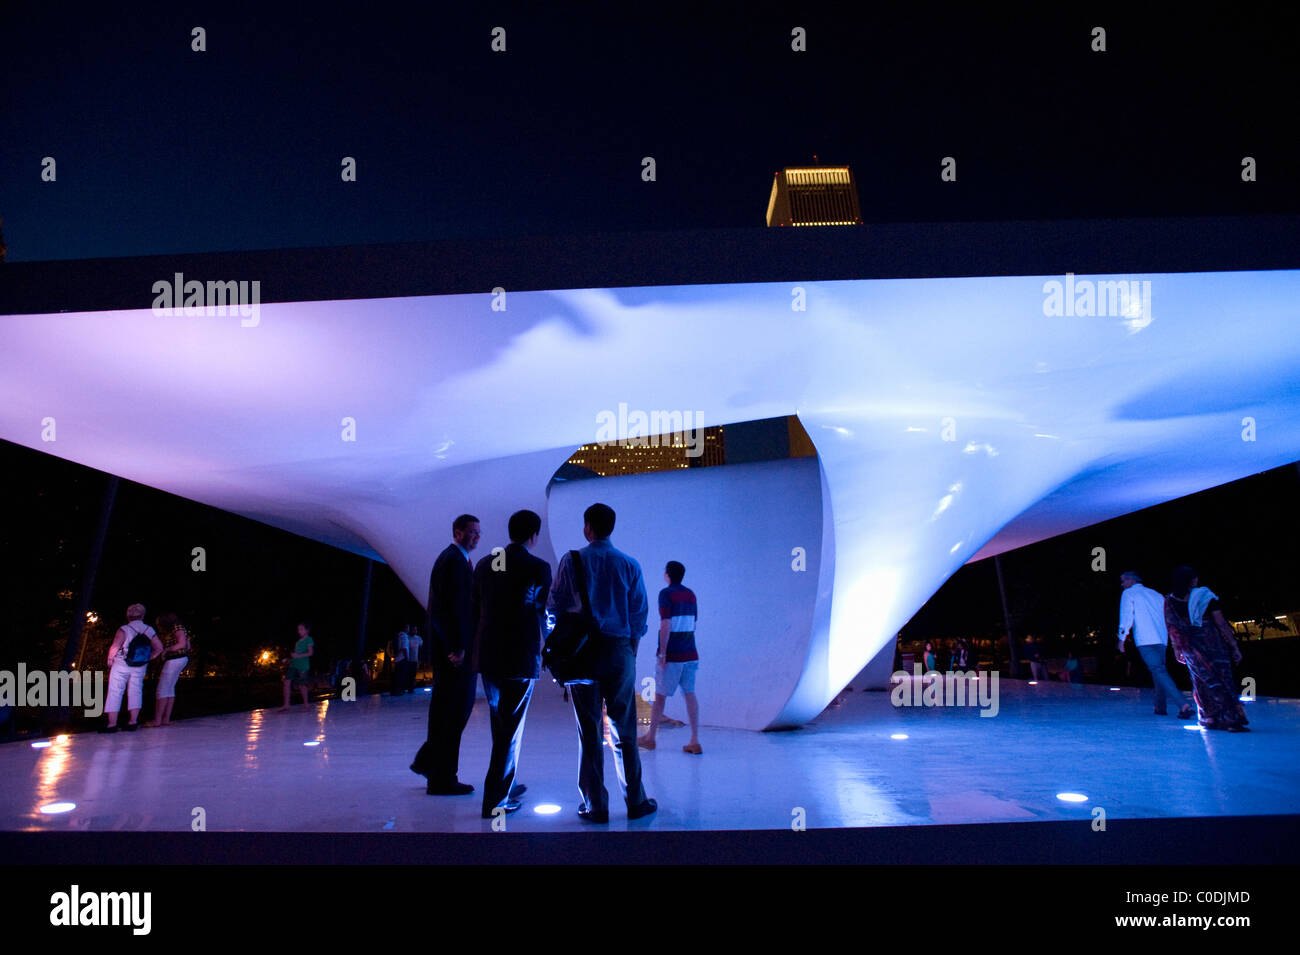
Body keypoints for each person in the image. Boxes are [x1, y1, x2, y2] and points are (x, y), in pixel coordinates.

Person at [547, 503, 656, 823]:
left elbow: (554, 606)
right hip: (620, 651)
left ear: (587, 528)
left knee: (589, 730)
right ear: (611, 527)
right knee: (625, 729)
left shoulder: (572, 561)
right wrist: (630, 649)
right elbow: (639, 614)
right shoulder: (629, 564)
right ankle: (636, 800)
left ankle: (595, 805)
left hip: (582, 655)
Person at [471, 509, 551, 819]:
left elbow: (476, 606)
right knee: (510, 728)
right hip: (520, 655)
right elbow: (544, 612)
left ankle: (506, 784)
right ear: (534, 535)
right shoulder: (538, 567)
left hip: (489, 654)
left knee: (500, 723)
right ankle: (496, 800)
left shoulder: (484, 564)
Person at [412, 514, 481, 795]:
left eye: (479, 532)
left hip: (454, 651)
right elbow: (447, 610)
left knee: (449, 712)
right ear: (457, 532)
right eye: (472, 532)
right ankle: (441, 777)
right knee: (453, 713)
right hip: (455, 655)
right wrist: (456, 647)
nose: (477, 536)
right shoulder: (452, 561)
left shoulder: (455, 559)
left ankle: (431, 766)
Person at [1164, 566, 1249, 731]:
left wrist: (1177, 649)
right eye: (1195, 578)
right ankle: (1231, 720)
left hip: (1189, 646)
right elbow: (1221, 623)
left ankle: (1208, 718)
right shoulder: (1205, 596)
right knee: (1222, 679)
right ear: (1191, 580)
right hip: (1212, 643)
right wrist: (1233, 646)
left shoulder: (1170, 600)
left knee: (1201, 681)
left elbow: (1172, 627)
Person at [639, 560, 702, 754]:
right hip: (690, 653)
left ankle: (650, 738)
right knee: (690, 694)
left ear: (667, 574)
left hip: (673, 654)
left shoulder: (666, 594)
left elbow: (666, 623)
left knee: (659, 697)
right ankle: (694, 739)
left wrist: (663, 653)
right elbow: (693, 622)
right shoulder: (691, 595)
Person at [1117, 571, 1192, 718]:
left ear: (1131, 580)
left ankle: (1182, 704)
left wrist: (1122, 638)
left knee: (1158, 671)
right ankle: (1160, 707)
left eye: (1123, 581)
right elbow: (1167, 617)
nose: (1122, 584)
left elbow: (1126, 616)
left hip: (1146, 639)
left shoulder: (1129, 594)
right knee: (1159, 672)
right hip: (1161, 639)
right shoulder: (1157, 595)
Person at [101, 603, 165, 732]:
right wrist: (149, 658)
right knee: (136, 691)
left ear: (128, 615)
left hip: (121, 663)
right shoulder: (149, 630)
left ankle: (112, 724)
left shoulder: (124, 629)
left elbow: (115, 646)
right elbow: (159, 648)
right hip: (140, 665)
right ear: (142, 615)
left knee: (115, 691)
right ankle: (133, 722)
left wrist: (109, 659)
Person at [147, 612, 190, 726]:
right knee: (169, 689)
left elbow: (182, 644)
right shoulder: (180, 627)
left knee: (162, 689)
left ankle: (157, 721)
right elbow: (188, 645)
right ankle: (165, 719)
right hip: (181, 659)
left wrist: (167, 650)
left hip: (174, 659)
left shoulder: (177, 627)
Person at [279, 622, 315, 710]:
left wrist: (298, 656)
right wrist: (289, 660)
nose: (299, 631)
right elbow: (296, 655)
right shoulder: (298, 642)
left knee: (301, 685)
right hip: (293, 665)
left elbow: (311, 653)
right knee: (287, 683)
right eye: (298, 629)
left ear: (307, 630)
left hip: (303, 666)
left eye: (301, 629)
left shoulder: (309, 639)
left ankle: (306, 704)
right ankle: (286, 705)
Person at [391, 627, 410, 696]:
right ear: (405, 628)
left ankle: (394, 691)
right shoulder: (404, 636)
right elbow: (404, 648)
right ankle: (399, 691)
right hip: (402, 658)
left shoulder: (398, 635)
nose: (409, 629)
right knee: (401, 675)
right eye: (408, 627)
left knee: (397, 675)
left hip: (397, 658)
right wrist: (407, 657)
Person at [407, 625, 424, 689]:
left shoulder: (418, 638)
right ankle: (408, 687)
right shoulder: (408, 638)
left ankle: (411, 688)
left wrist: (419, 659)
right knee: (408, 674)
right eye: (414, 629)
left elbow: (421, 647)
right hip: (408, 659)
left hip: (415, 659)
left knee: (413, 674)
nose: (415, 631)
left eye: (416, 630)